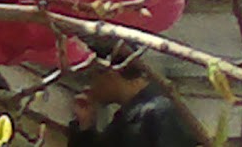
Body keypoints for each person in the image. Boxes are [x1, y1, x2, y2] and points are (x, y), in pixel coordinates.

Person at [68, 46, 198, 147]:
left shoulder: (159, 112)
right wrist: (85, 124)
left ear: (110, 74)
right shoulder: (124, 119)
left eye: (93, 77)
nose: (91, 86)